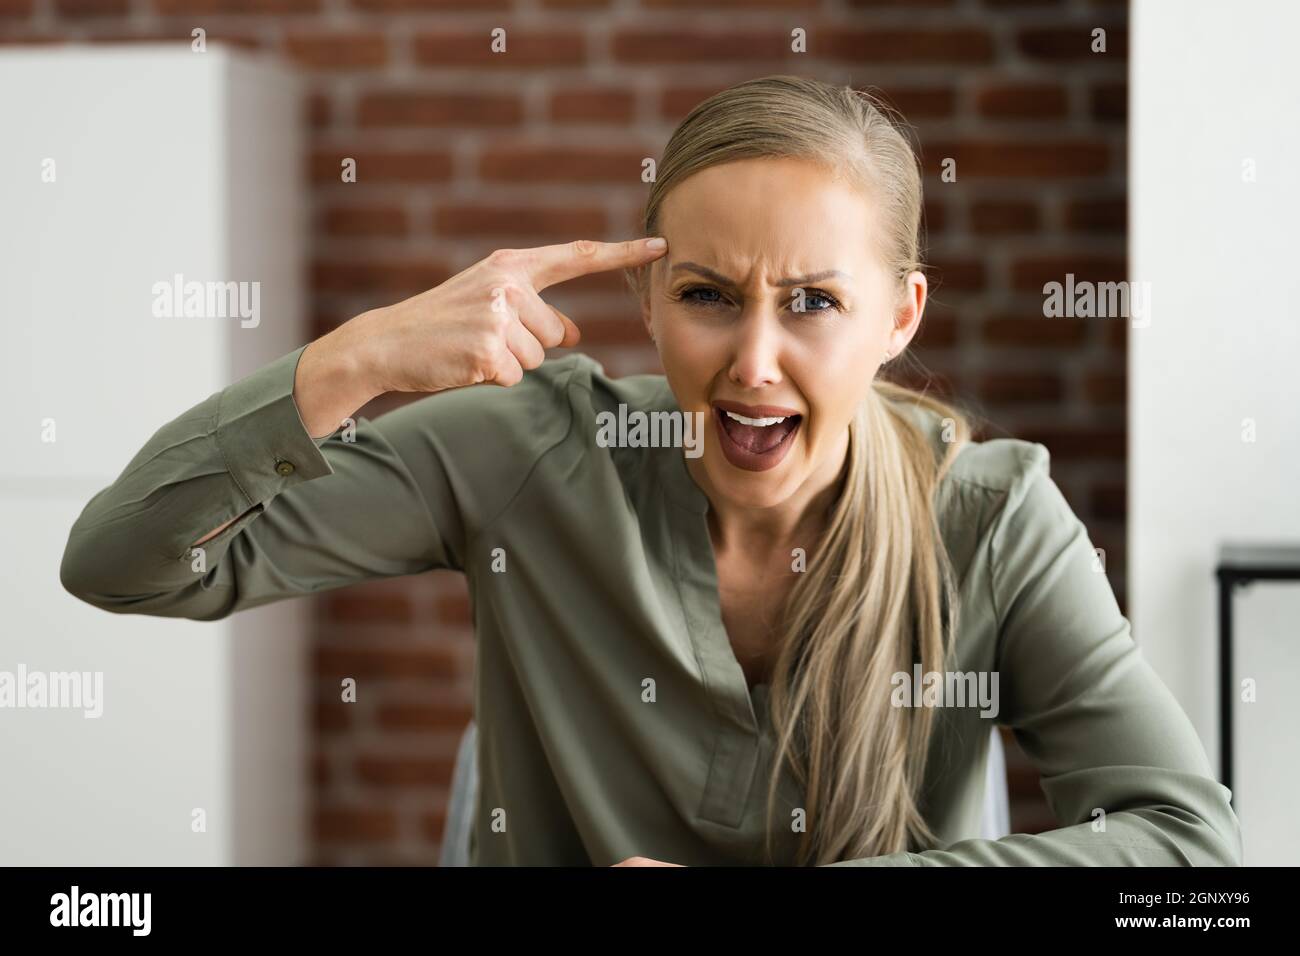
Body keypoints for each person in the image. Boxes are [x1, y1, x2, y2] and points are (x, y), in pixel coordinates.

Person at [60, 74, 1241, 867]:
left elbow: (1189, 851)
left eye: (815, 302)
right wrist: (352, 356)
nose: (755, 361)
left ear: (900, 316)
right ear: (648, 300)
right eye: (707, 297)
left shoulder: (990, 517)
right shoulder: (526, 450)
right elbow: (125, 562)